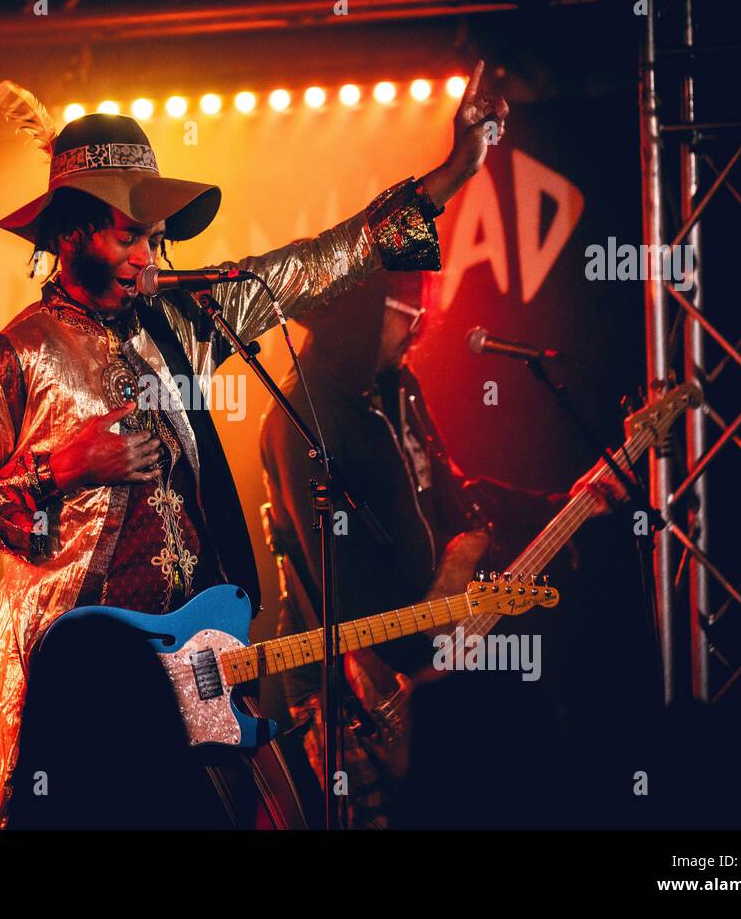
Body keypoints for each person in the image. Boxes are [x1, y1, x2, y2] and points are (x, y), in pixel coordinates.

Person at [0, 64, 505, 829]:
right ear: (68, 234)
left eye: (153, 237)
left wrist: (455, 169)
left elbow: (325, 259)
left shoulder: (181, 321)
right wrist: (58, 467)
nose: (146, 257)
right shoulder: (13, 359)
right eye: (128, 234)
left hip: (190, 672)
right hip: (72, 685)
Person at [259, 269, 625, 828]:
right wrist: (416, 666)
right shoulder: (301, 416)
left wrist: (562, 504)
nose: (421, 332)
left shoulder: (397, 386)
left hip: (429, 664)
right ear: (363, 315)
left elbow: (455, 496)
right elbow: (341, 584)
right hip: (353, 693)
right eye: (410, 315)